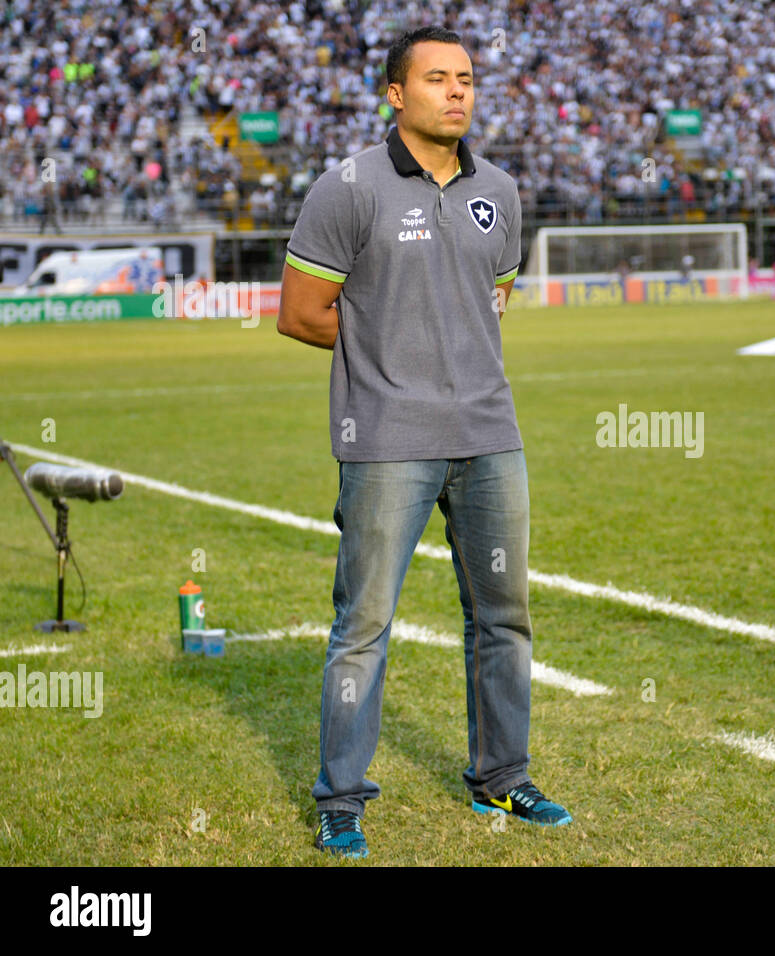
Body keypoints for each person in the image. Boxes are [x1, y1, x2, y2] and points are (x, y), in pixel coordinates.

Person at [277, 26, 571, 860]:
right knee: (364, 623)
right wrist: (389, 354)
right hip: (385, 441)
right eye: (437, 78)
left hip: (490, 436)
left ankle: (503, 778)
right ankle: (340, 799)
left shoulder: (501, 191)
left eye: (467, 78)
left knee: (504, 616)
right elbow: (299, 313)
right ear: (395, 95)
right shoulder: (349, 188)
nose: (457, 92)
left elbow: (491, 302)